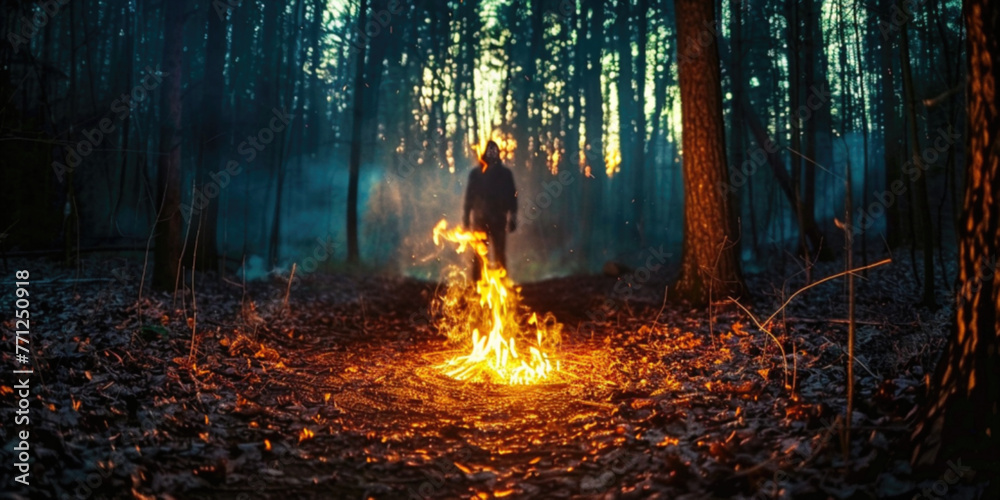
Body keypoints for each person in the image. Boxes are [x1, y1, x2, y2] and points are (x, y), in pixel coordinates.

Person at [463, 140, 517, 281]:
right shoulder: (476, 174)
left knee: (499, 254)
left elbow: (512, 196)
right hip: (480, 221)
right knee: (479, 255)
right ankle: (477, 285)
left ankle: (502, 284)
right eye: (489, 152)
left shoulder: (505, 174)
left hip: (499, 220)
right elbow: (469, 196)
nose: (492, 154)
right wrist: (466, 218)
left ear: (498, 154)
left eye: (494, 151)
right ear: (485, 154)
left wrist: (513, 217)